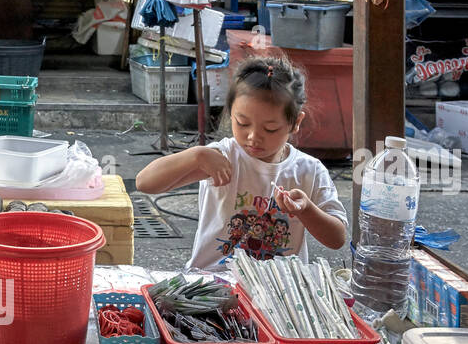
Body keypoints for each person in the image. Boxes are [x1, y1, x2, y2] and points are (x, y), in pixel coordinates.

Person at [136, 56, 348, 272]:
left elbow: (337, 238)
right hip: (214, 283)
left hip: (278, 289)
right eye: (243, 123)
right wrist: (196, 155)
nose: (253, 137)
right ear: (231, 113)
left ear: (296, 123)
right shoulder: (221, 157)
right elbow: (145, 183)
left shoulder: (309, 171)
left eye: (270, 129)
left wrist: (306, 210)